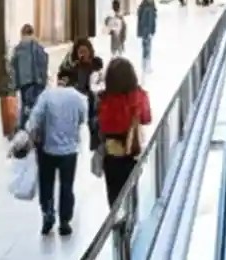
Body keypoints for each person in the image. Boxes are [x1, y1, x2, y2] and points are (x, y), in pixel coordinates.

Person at [25, 70, 88, 235]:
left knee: (46, 183)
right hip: (70, 150)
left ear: (59, 80)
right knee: (67, 186)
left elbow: (35, 117)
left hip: (48, 149)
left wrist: (31, 135)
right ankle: (65, 221)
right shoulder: (78, 98)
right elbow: (83, 118)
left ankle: (48, 212)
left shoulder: (47, 95)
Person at [95, 57, 151, 207]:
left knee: (114, 196)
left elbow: (101, 125)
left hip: (112, 155)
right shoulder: (139, 96)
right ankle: (131, 217)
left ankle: (117, 218)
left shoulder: (103, 100)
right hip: (132, 150)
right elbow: (147, 118)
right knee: (131, 193)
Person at [59, 38, 104, 149]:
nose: (82, 55)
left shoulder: (94, 65)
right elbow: (62, 78)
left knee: (92, 123)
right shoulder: (71, 66)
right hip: (74, 100)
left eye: (85, 52)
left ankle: (93, 144)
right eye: (80, 52)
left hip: (89, 100)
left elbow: (99, 81)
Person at [8, 23, 49, 127]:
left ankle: (25, 127)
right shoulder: (39, 47)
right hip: (39, 81)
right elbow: (44, 63)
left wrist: (13, 86)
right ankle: (37, 128)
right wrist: (44, 80)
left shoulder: (18, 48)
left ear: (22, 34)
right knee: (38, 105)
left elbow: (13, 67)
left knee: (26, 106)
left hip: (25, 82)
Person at [136, 0, 158, 70]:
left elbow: (140, 21)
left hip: (145, 32)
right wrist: (150, 32)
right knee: (147, 48)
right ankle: (146, 65)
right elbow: (149, 22)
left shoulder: (142, 7)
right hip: (147, 32)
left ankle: (144, 65)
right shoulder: (148, 9)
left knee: (145, 48)